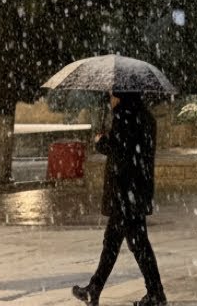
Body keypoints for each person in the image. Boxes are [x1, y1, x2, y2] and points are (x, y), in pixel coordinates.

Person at [73, 92, 166, 306]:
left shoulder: (127, 118)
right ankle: (95, 289)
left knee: (135, 245)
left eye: (113, 95)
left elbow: (122, 153)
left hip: (125, 194)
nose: (110, 99)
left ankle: (156, 294)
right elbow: (132, 151)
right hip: (134, 193)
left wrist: (102, 142)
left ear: (123, 96)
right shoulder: (143, 117)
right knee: (116, 243)